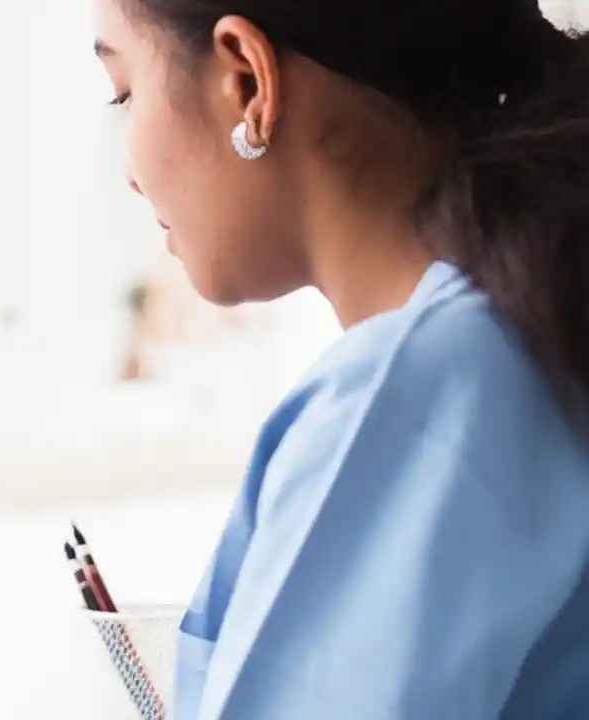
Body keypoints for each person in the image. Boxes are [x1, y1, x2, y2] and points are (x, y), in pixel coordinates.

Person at [92, 0, 589, 717]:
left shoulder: (418, 395)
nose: (131, 175)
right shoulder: (527, 337)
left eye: (126, 91)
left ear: (247, 82)